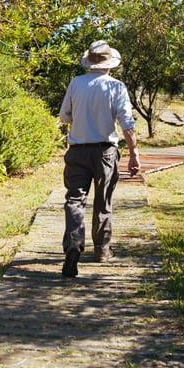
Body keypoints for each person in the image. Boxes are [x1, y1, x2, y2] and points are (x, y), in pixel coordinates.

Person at [57, 40, 141, 279]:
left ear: (90, 62)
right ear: (110, 64)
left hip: (77, 150)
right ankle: (102, 250)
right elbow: (127, 123)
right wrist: (134, 153)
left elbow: (64, 117)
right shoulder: (116, 87)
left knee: (75, 199)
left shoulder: (76, 83)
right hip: (106, 151)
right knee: (103, 201)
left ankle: (73, 246)